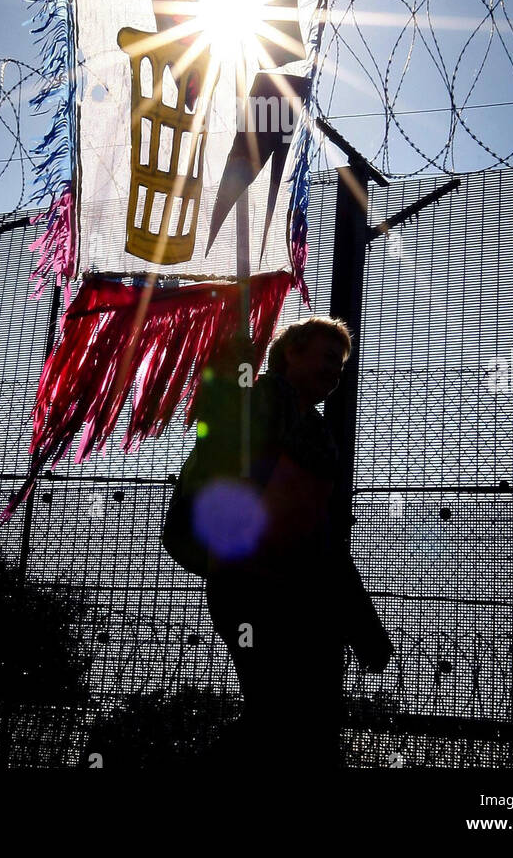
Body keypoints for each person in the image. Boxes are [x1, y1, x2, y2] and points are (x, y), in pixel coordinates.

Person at [195, 317, 393, 771]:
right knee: (278, 717)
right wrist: (228, 370)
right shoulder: (259, 401)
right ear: (291, 352)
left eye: (340, 365)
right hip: (252, 586)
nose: (334, 370)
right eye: (327, 356)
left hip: (303, 594)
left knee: (304, 721)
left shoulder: (319, 436)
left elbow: (321, 536)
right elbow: (219, 434)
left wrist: (359, 620)